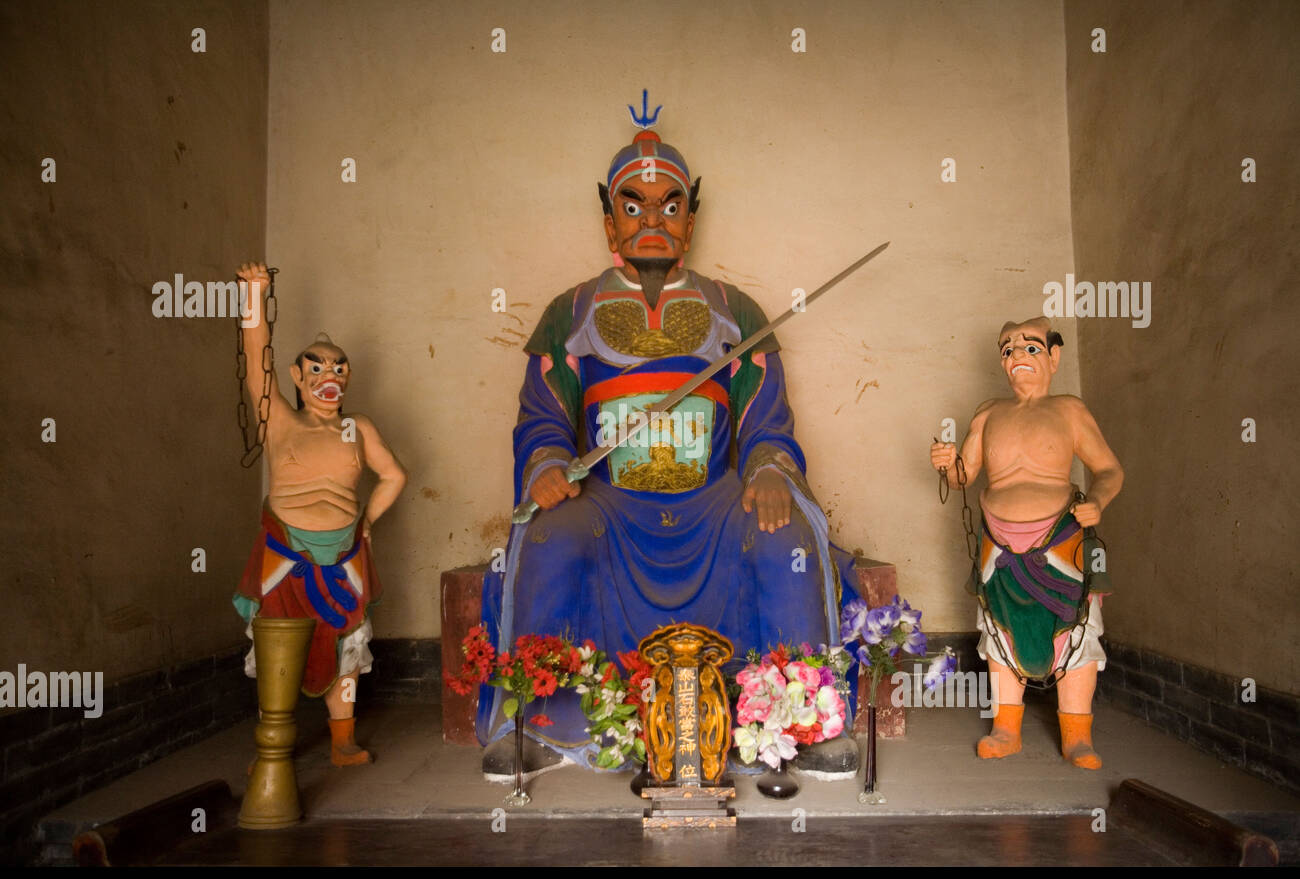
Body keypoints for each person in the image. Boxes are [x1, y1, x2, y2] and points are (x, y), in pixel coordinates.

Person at [477, 103, 862, 774]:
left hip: (712, 502)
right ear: (608, 224)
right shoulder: (569, 312)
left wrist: (769, 471)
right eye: (633, 205)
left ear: (690, 219)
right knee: (547, 535)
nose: (651, 218)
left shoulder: (734, 311)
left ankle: (798, 718)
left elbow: (766, 421)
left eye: (669, 204)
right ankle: (543, 721)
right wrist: (546, 463)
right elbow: (543, 416)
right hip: (608, 503)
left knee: (787, 538)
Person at [232, 261, 407, 767]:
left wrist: (368, 522)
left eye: (339, 368)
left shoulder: (359, 427)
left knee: (348, 645)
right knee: (276, 650)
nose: (329, 376)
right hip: (285, 551)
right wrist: (254, 293)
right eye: (317, 367)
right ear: (297, 376)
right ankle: (275, 739)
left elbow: (394, 475)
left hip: (345, 552)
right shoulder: (280, 420)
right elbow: (253, 363)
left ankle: (342, 738)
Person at [930, 317, 1122, 768]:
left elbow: (1110, 470)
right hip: (998, 543)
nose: (1016, 356)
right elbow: (964, 477)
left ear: (1054, 357)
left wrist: (1097, 500)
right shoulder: (987, 413)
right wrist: (946, 464)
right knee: (999, 631)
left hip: (1061, 541)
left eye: (1030, 348)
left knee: (1077, 631)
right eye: (1007, 349)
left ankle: (1078, 735)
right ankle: (1005, 728)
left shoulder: (1069, 410)